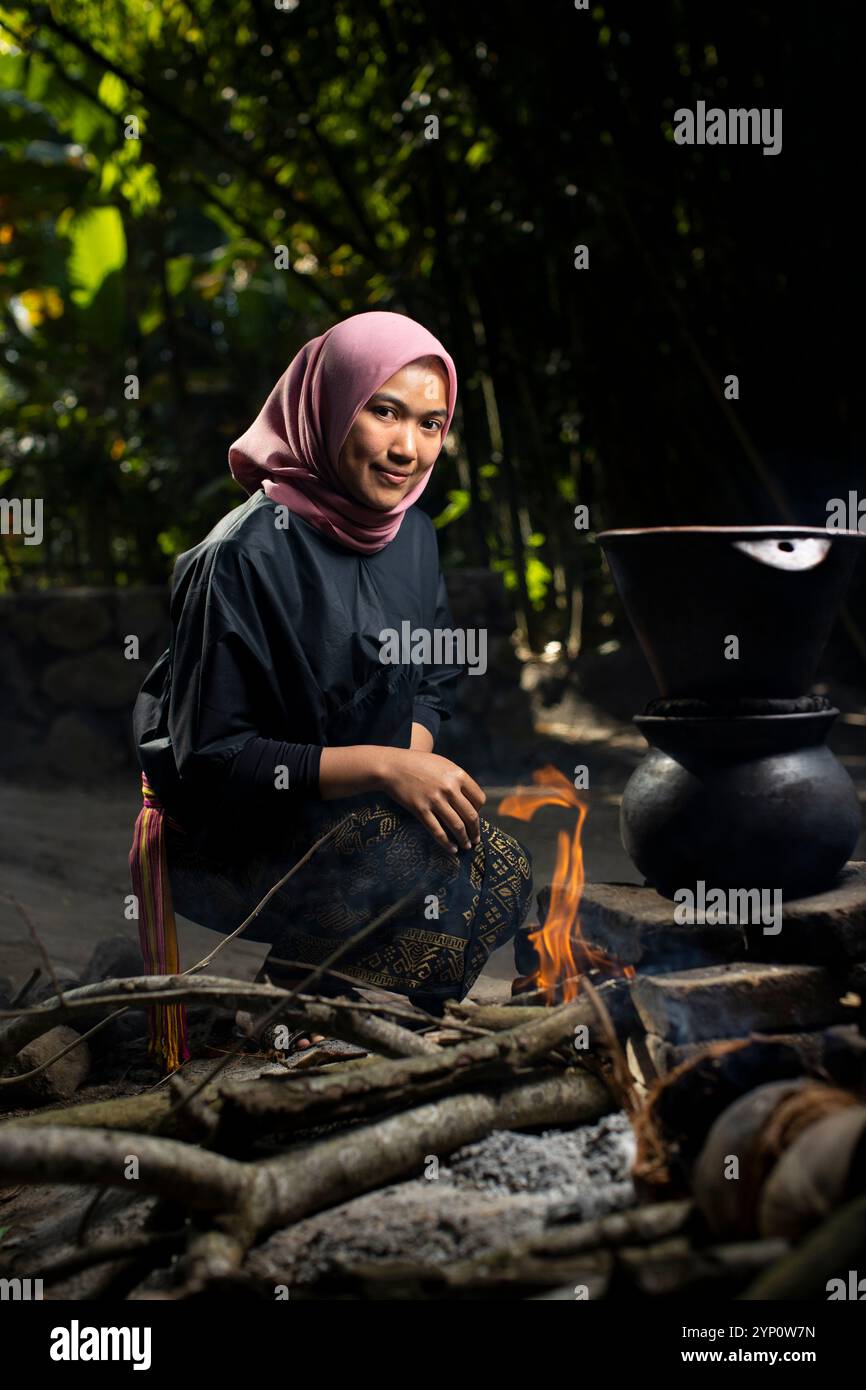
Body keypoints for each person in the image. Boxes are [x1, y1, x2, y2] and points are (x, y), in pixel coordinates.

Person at [130, 310, 534, 1071]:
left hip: (352, 818)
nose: (408, 449)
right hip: (232, 836)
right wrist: (386, 773)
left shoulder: (412, 534)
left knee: (501, 865)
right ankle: (301, 998)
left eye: (431, 423)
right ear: (328, 406)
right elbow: (214, 759)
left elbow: (433, 674)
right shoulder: (241, 557)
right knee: (408, 852)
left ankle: (348, 1003)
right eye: (383, 411)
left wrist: (408, 760)